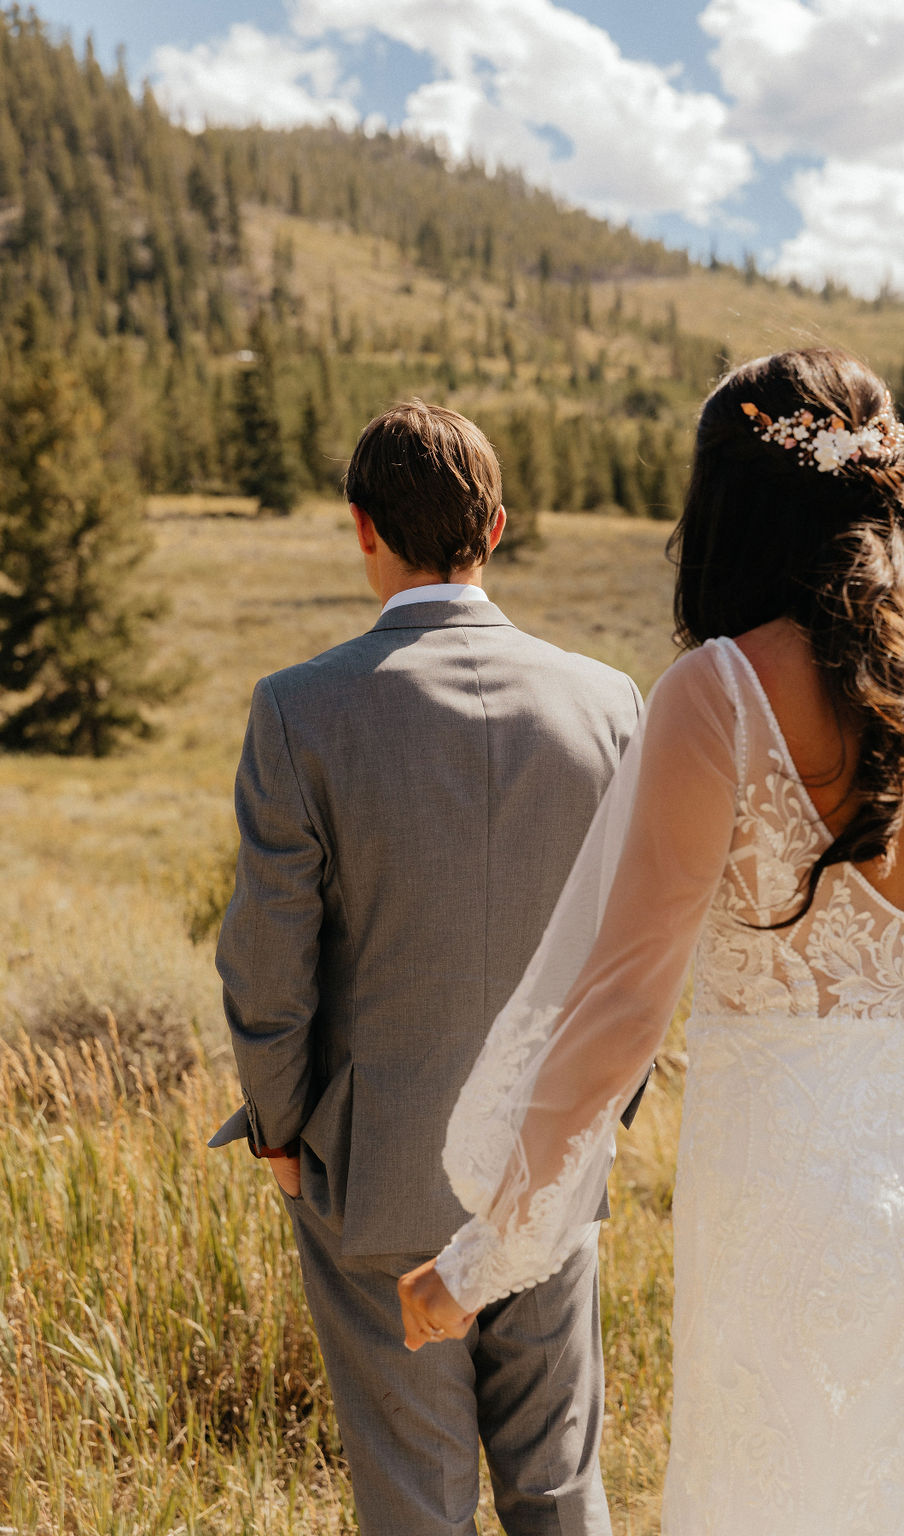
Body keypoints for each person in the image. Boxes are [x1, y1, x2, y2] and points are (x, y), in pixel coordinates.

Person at [399, 348, 904, 1533]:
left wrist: (481, 1261)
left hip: (796, 1205)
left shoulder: (720, 692)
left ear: (728, 507)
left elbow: (622, 1009)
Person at [210, 399, 643, 1536]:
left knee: (415, 1501)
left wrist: (282, 1133)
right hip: (550, 1162)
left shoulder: (299, 710)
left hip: (375, 1172)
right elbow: (639, 943)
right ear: (494, 528)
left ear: (361, 526)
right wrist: (601, 1119)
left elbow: (266, 961)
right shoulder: (609, 702)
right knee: (560, 1489)